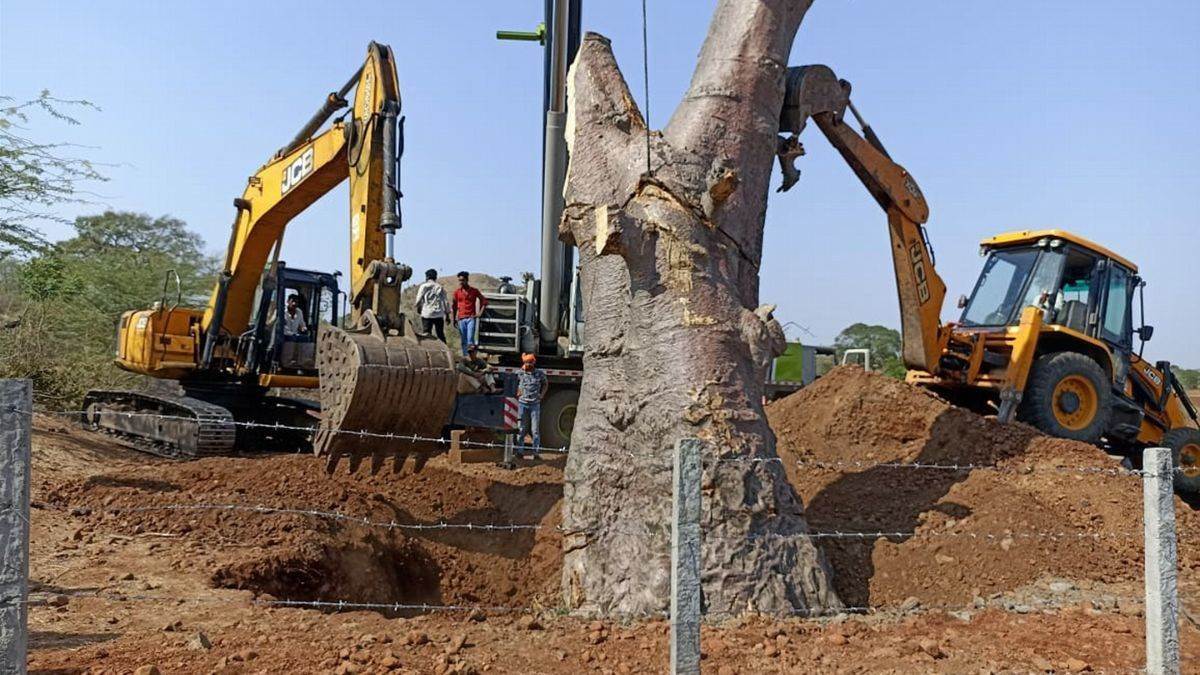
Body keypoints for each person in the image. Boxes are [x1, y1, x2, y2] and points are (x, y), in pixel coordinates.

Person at [515, 352, 548, 458]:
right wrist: (518, 391)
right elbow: (514, 382)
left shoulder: (539, 374)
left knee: (535, 430)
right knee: (521, 429)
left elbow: (545, 384)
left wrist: (541, 395)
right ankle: (520, 451)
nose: (527, 365)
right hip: (522, 404)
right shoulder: (520, 373)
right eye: (526, 363)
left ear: (533, 363)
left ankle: (536, 453)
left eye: (529, 363)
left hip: (535, 405)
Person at [451, 271, 487, 356]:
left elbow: (484, 301)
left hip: (471, 318)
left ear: (467, 280)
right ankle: (466, 358)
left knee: (470, 339)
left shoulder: (474, 291)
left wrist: (479, 313)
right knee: (464, 340)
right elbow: (454, 306)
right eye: (459, 280)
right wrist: (453, 319)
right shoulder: (457, 292)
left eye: (462, 280)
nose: (460, 282)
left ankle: (472, 357)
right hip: (461, 319)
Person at [414, 268, 448, 342]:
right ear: (435, 277)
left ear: (427, 277)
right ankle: (445, 349)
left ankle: (427, 350)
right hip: (438, 314)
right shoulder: (439, 287)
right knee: (440, 334)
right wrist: (447, 315)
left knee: (426, 334)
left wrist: (418, 308)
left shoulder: (423, 286)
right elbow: (445, 302)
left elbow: (418, 300)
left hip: (427, 314)